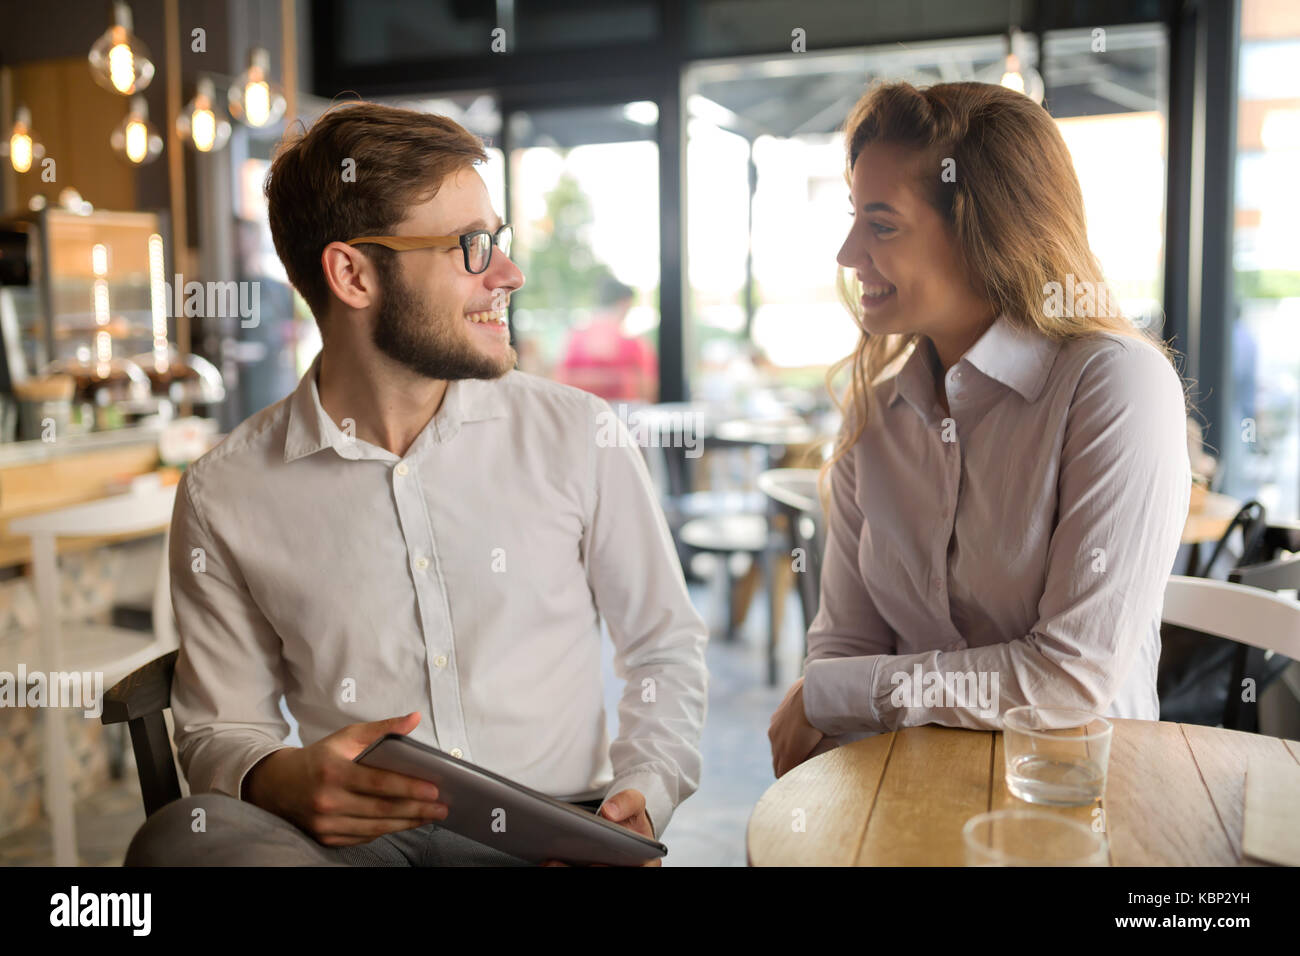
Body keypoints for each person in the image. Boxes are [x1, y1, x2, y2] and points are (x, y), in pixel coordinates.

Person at [125, 102, 708, 865]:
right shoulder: (223, 492)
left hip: (552, 834)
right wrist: (276, 778)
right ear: (353, 274)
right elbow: (218, 728)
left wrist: (641, 796)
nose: (509, 273)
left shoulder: (578, 434)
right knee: (178, 844)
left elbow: (663, 646)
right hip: (358, 849)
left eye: (495, 239)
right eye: (471, 247)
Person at [769, 81, 1191, 777]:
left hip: (1076, 801)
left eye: (881, 224)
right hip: (905, 787)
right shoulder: (873, 414)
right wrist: (835, 699)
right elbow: (845, 643)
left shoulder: (1116, 385)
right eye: (854, 218)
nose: (848, 253)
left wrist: (836, 695)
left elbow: (1068, 681)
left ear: (982, 231)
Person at [555, 276, 658, 403]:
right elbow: (647, 388)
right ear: (624, 303)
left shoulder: (575, 339)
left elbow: (561, 382)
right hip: (622, 416)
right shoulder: (633, 344)